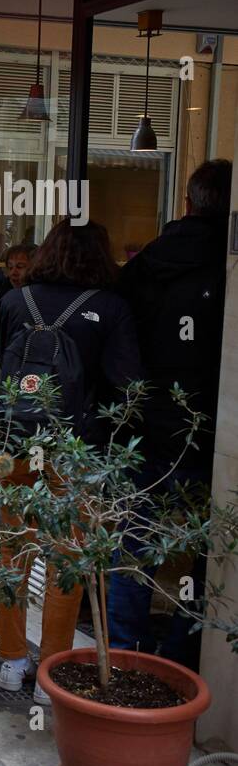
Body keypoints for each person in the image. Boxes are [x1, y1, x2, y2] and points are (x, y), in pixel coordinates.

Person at [0, 219, 142, 703]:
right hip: (77, 451)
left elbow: (6, 366)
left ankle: (12, 661)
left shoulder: (16, 302)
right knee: (68, 561)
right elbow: (125, 384)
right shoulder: (112, 307)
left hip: (17, 442)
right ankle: (50, 673)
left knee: (15, 550)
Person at [109, 159, 231, 670]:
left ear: (186, 202)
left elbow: (120, 345)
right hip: (209, 431)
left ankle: (121, 655)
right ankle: (180, 656)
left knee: (133, 544)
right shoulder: (226, 265)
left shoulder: (145, 265)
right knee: (206, 550)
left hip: (146, 428)